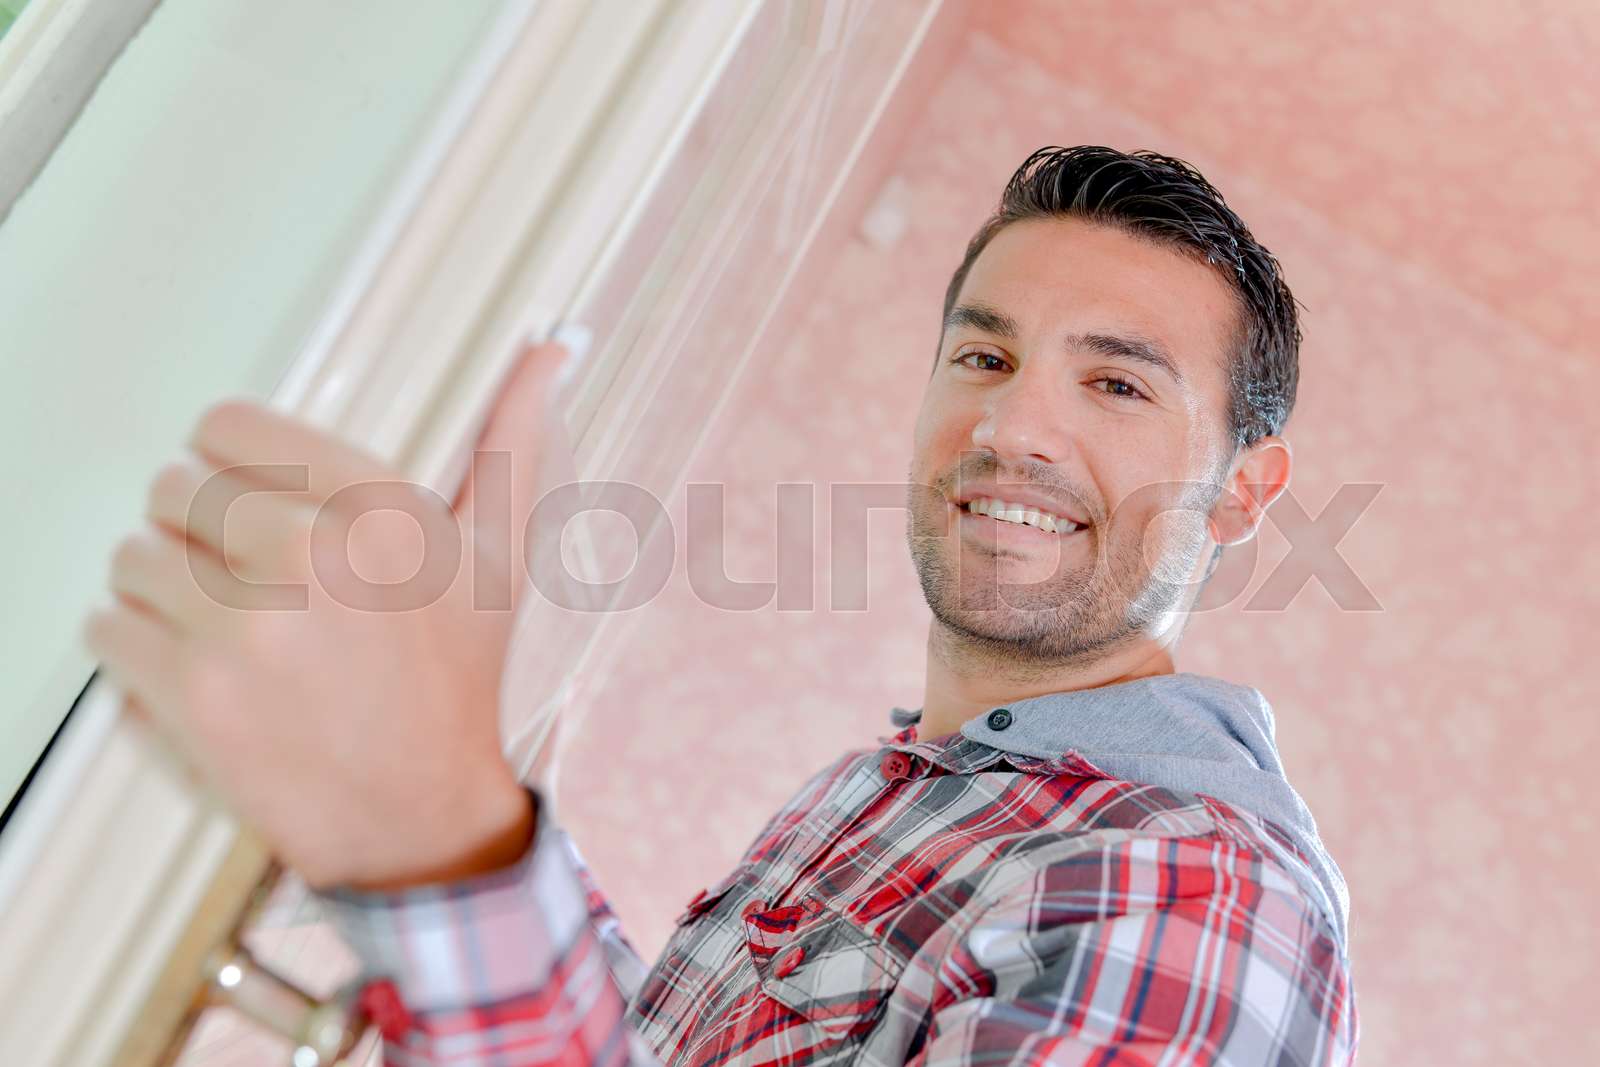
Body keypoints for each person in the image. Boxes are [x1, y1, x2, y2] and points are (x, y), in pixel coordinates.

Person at [87, 146, 1359, 1065]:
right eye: (983, 356)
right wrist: (454, 801)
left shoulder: (1197, 885)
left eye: (1117, 387)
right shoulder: (913, 785)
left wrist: (441, 828)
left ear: (1244, 493)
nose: (1011, 423)